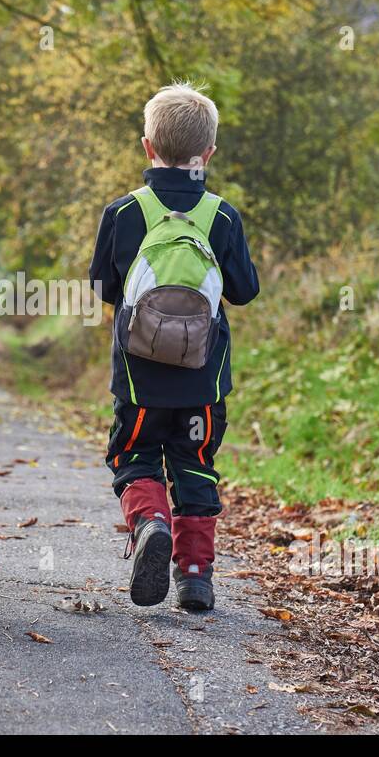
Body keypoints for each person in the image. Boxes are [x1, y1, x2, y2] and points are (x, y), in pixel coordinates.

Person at [88, 83, 260, 611]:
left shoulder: (123, 214)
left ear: (147, 147)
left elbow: (102, 290)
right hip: (203, 380)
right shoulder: (222, 216)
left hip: (139, 381)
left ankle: (149, 523)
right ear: (207, 155)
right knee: (195, 463)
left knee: (133, 455)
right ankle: (195, 577)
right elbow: (244, 291)